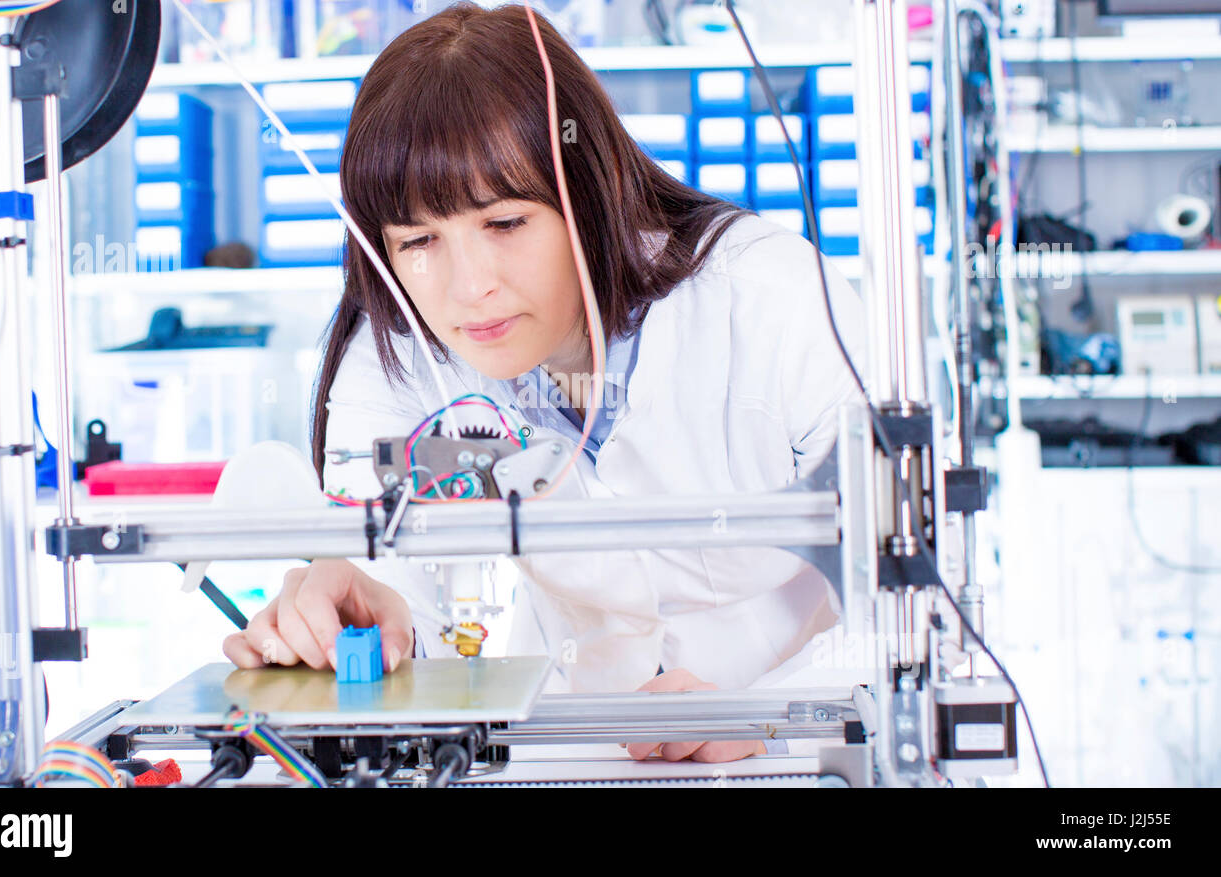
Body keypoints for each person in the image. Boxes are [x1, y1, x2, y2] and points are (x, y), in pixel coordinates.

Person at [222, 2, 866, 763]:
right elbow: (389, 570)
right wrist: (357, 602)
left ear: (585, 192)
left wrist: (768, 711)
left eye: (504, 223)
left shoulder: (775, 301)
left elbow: (914, 595)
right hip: (568, 751)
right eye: (420, 240)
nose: (468, 288)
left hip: (803, 753)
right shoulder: (404, 349)